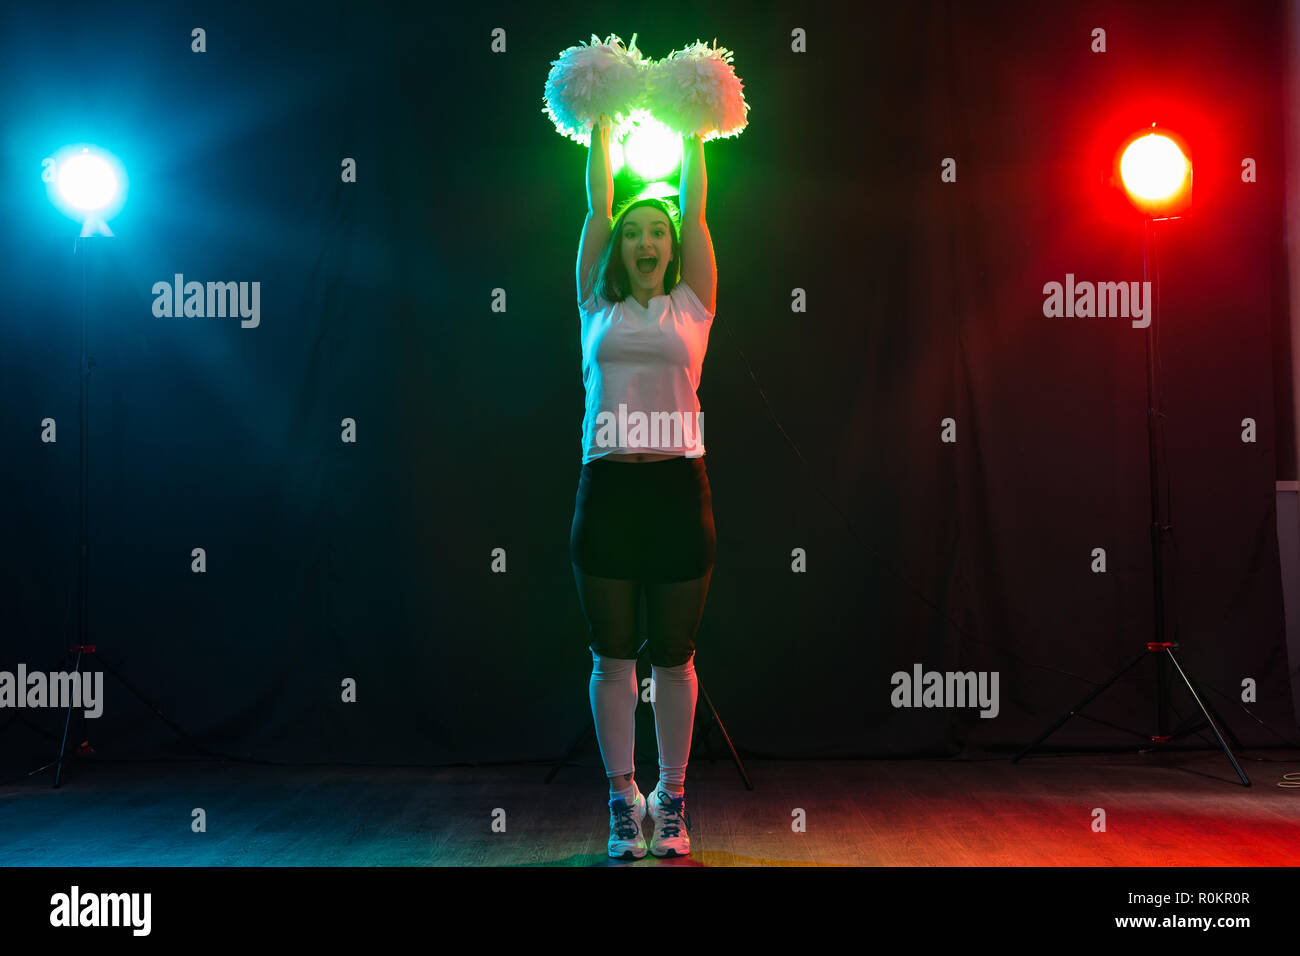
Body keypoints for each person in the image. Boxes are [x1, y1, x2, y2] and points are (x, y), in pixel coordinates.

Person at [570, 114, 718, 859]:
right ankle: (622, 799)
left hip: (676, 493)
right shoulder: (595, 307)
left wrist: (696, 125)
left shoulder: (692, 306)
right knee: (612, 656)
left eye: (657, 232)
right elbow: (596, 206)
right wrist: (598, 124)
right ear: (621, 248)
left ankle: (674, 796)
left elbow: (695, 209)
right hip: (608, 494)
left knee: (675, 656)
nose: (648, 240)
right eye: (636, 232)